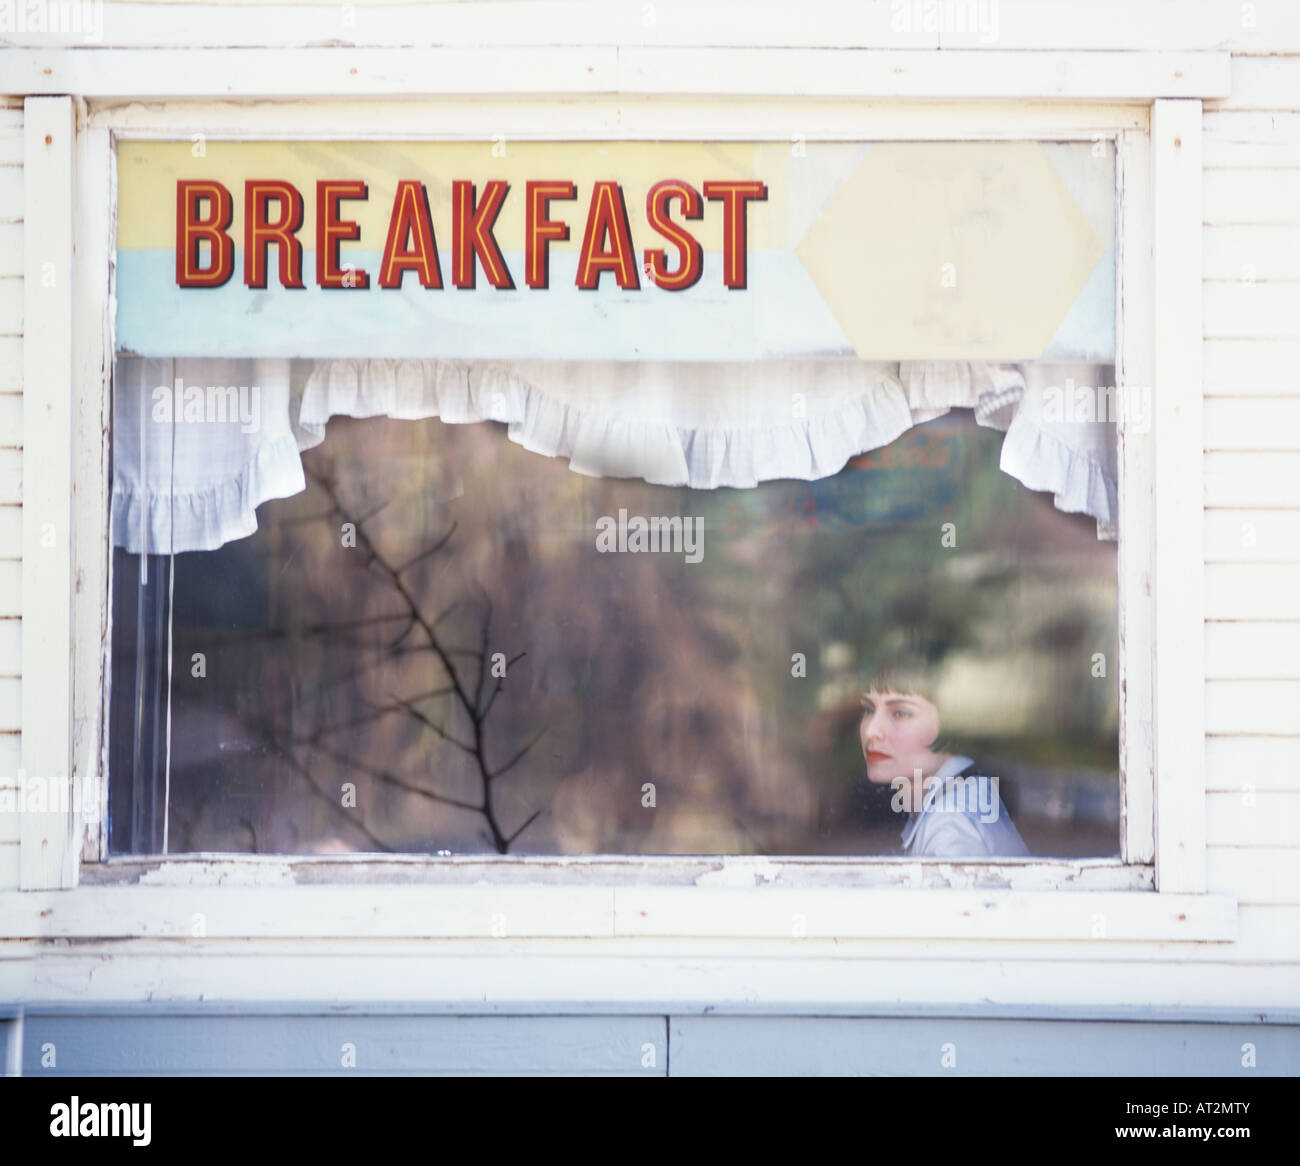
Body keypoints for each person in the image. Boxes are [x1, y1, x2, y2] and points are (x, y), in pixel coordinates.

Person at [859, 671, 1029, 858]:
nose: (871, 730)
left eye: (900, 713)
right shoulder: (958, 798)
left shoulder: (950, 828)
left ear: (950, 724)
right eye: (869, 709)